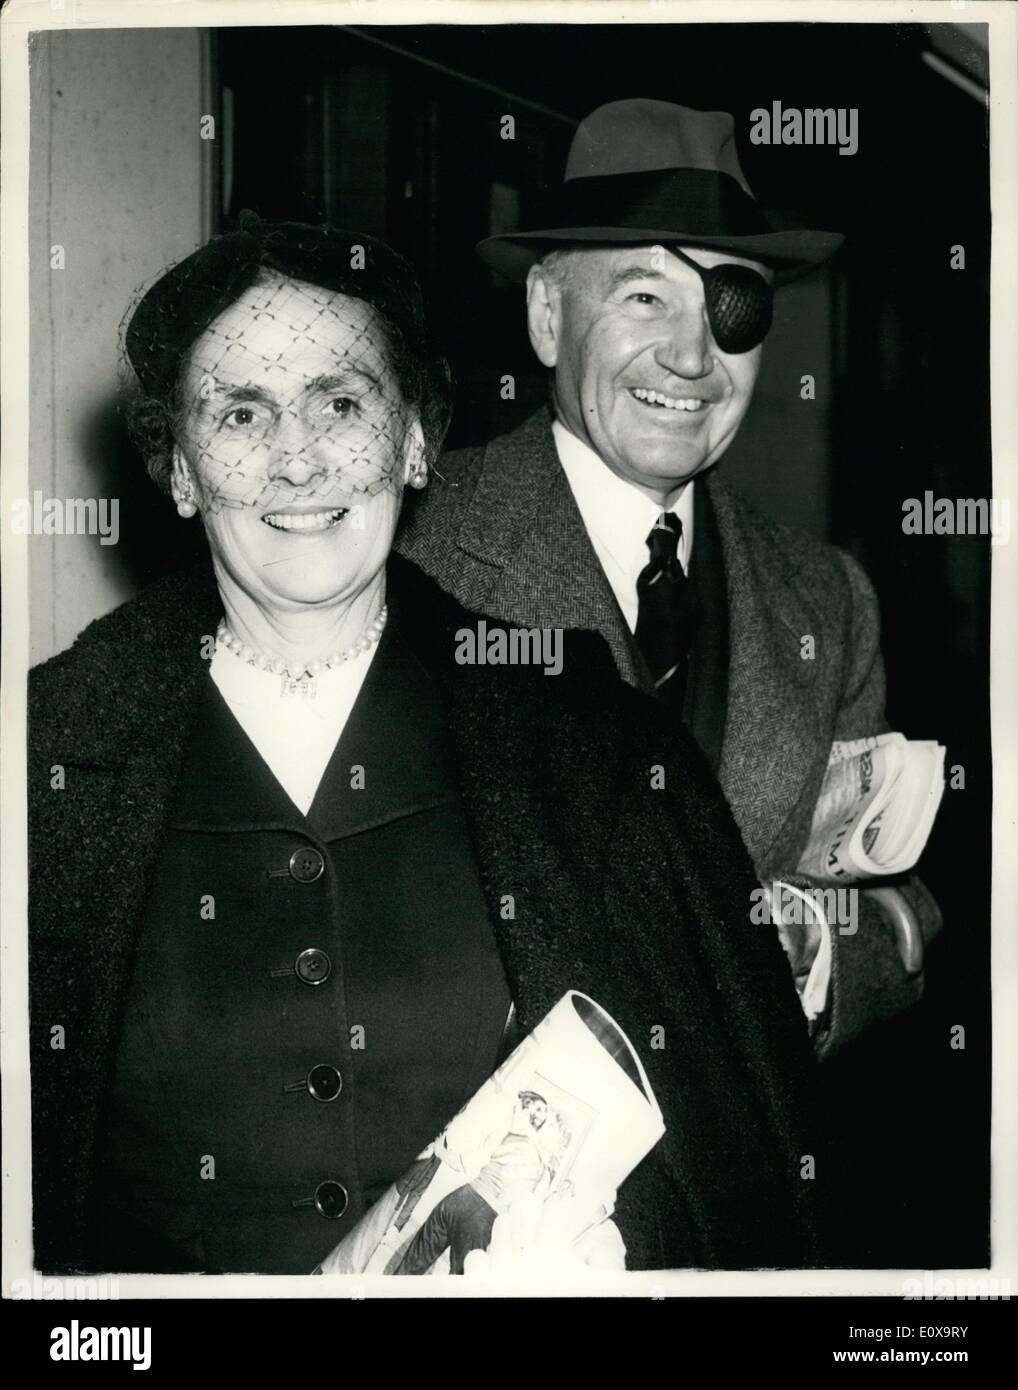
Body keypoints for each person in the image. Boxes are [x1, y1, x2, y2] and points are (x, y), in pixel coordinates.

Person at [29, 215, 826, 1276]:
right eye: (241, 412)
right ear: (178, 467)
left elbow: (740, 1154)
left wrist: (627, 1249)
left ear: (412, 441)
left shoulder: (590, 743)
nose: (298, 456)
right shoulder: (48, 769)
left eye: (343, 404)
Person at [398, 99, 942, 1056]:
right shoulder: (411, 549)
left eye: (732, 307)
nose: (694, 357)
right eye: (644, 296)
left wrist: (811, 952)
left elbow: (889, 903)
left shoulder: (825, 598)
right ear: (546, 317)